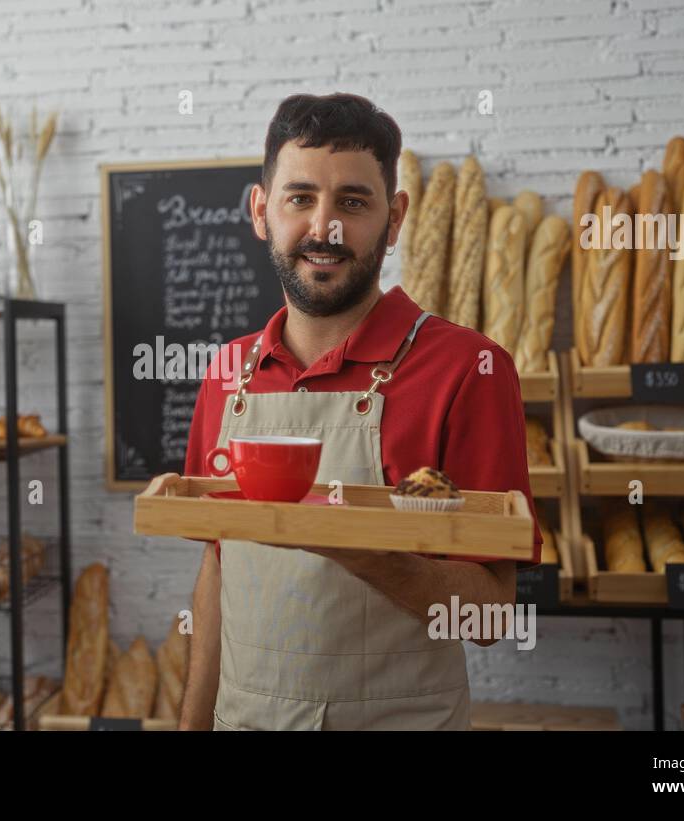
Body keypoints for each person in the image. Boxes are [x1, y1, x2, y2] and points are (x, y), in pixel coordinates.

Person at [178, 93, 542, 731]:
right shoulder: (226, 372)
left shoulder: (468, 370)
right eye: (299, 199)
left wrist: (370, 554)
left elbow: (492, 616)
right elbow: (218, 568)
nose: (325, 228)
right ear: (261, 212)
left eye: (353, 201)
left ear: (395, 218)